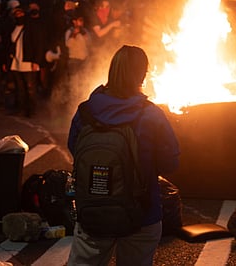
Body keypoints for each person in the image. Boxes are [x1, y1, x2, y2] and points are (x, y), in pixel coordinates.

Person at [67, 45, 180, 266]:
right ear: (142, 75)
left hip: (92, 211)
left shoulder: (85, 112)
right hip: (141, 214)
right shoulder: (151, 115)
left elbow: (75, 149)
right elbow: (171, 162)